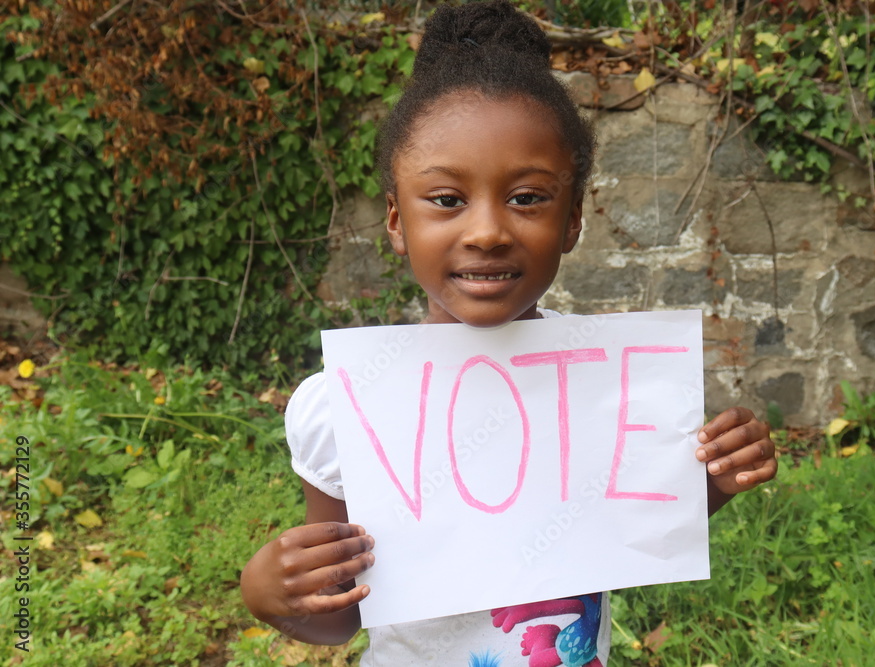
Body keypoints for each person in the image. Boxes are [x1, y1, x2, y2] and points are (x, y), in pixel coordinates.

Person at [240, 1, 777, 664]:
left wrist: (716, 478)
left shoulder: (606, 387)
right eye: (446, 199)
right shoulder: (348, 411)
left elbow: (636, 529)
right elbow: (341, 617)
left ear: (573, 220)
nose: (488, 230)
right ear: (395, 219)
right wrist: (270, 594)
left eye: (526, 197)